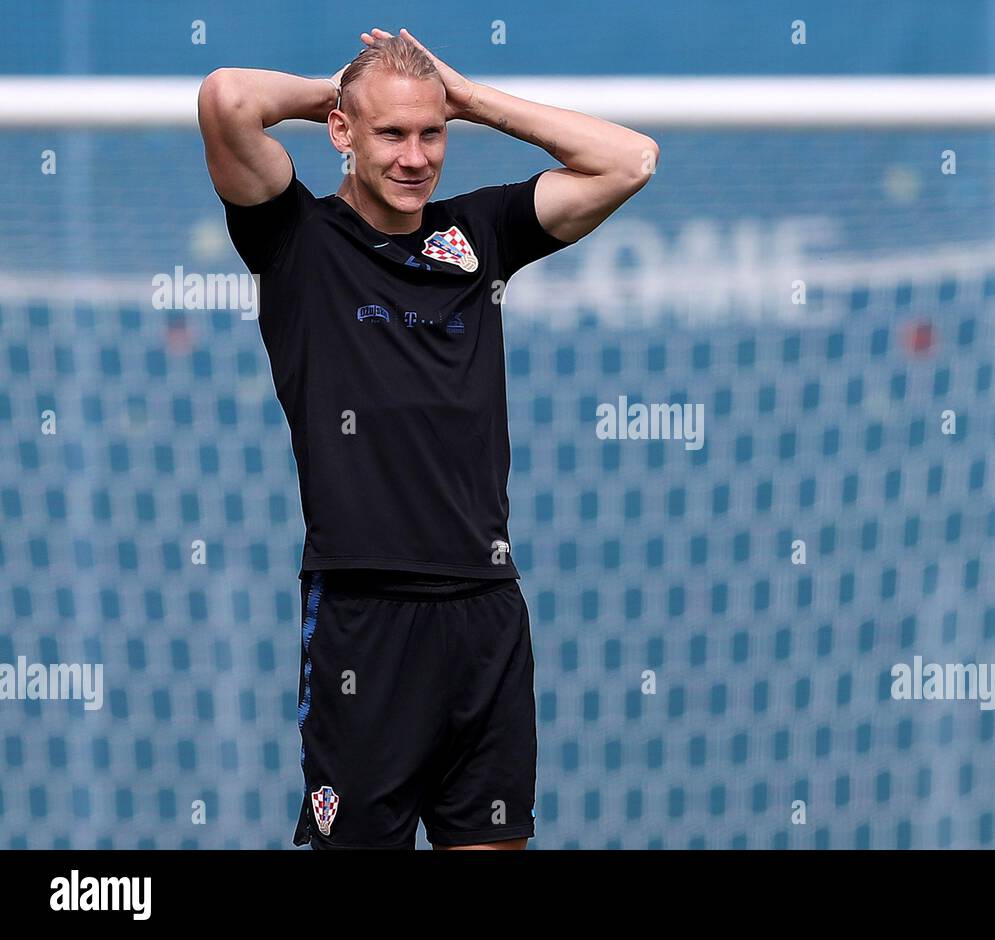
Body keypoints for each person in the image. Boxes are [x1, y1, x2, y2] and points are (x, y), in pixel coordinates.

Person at [197, 27, 658, 849]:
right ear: (342, 132)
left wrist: (470, 95)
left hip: (486, 615)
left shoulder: (480, 234)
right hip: (365, 619)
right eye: (390, 133)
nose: (415, 157)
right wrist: (338, 88)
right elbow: (228, 98)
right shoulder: (293, 237)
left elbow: (629, 159)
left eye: (431, 132)